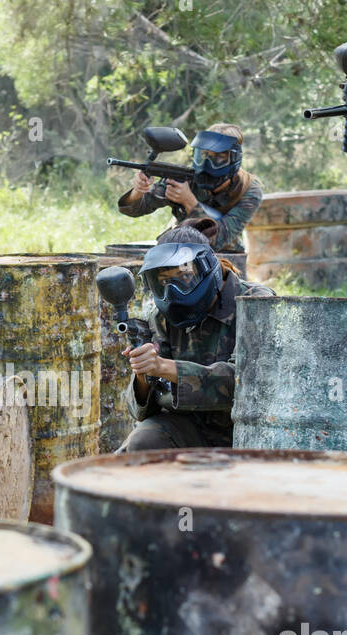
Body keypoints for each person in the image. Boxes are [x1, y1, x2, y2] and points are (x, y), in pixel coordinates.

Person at [118, 226, 276, 451]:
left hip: (249, 430)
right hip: (191, 428)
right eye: (164, 282)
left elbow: (248, 384)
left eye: (184, 277)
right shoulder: (162, 317)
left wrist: (164, 367)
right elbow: (141, 412)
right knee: (142, 442)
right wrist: (144, 373)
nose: (173, 292)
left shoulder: (255, 303)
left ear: (207, 269)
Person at [118, 124, 263, 253]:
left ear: (234, 158)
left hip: (226, 255)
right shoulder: (185, 178)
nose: (207, 164)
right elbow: (136, 209)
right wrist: (138, 191)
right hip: (180, 246)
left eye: (219, 157)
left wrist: (189, 202)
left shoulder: (249, 190)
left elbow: (220, 239)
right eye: (204, 155)